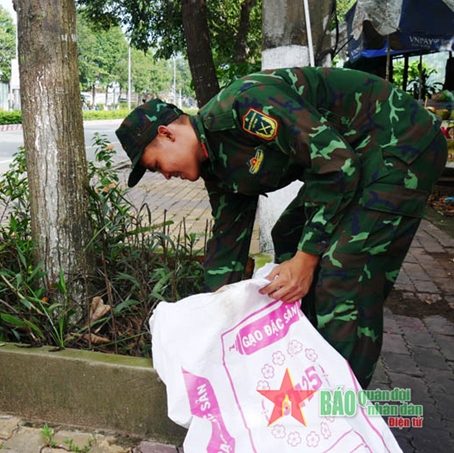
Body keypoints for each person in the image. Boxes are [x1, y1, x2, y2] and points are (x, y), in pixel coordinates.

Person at [116, 66, 448, 388]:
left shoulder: (246, 107)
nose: (165, 175)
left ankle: (343, 406)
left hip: (398, 139)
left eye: (156, 165)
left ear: (167, 133)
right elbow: (227, 247)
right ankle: (313, 352)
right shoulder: (215, 165)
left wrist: (306, 260)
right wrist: (216, 321)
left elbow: (337, 166)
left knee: (343, 271)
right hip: (357, 157)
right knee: (287, 233)